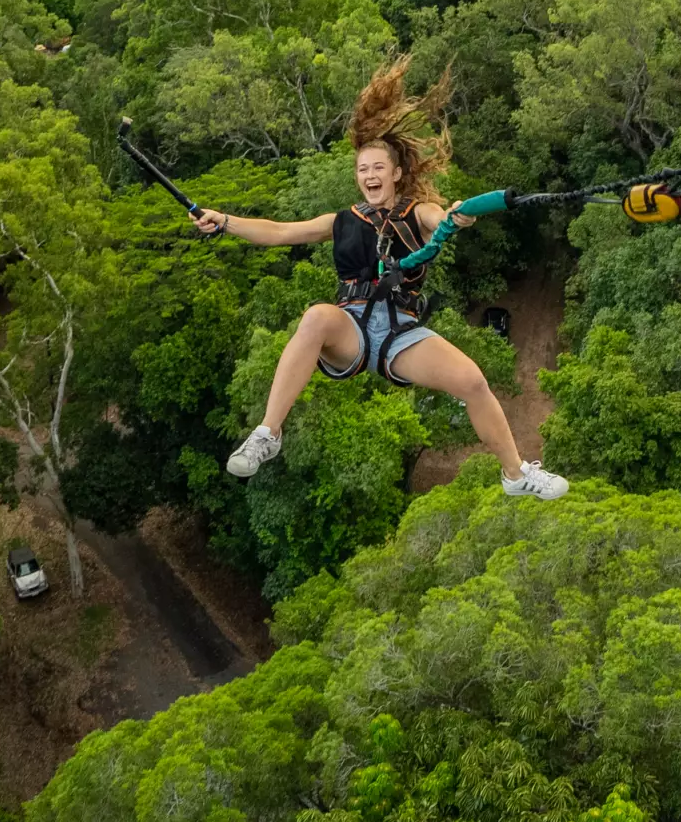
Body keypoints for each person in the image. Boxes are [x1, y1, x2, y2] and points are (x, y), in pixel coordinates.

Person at [192, 58, 568, 501]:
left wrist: (457, 216)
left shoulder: (416, 212)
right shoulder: (342, 220)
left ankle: (516, 474)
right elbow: (278, 232)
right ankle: (268, 433)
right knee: (316, 317)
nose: (369, 176)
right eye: (362, 170)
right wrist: (225, 221)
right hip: (349, 327)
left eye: (377, 168)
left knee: (472, 381)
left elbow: (441, 218)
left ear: (396, 174)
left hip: (400, 332)